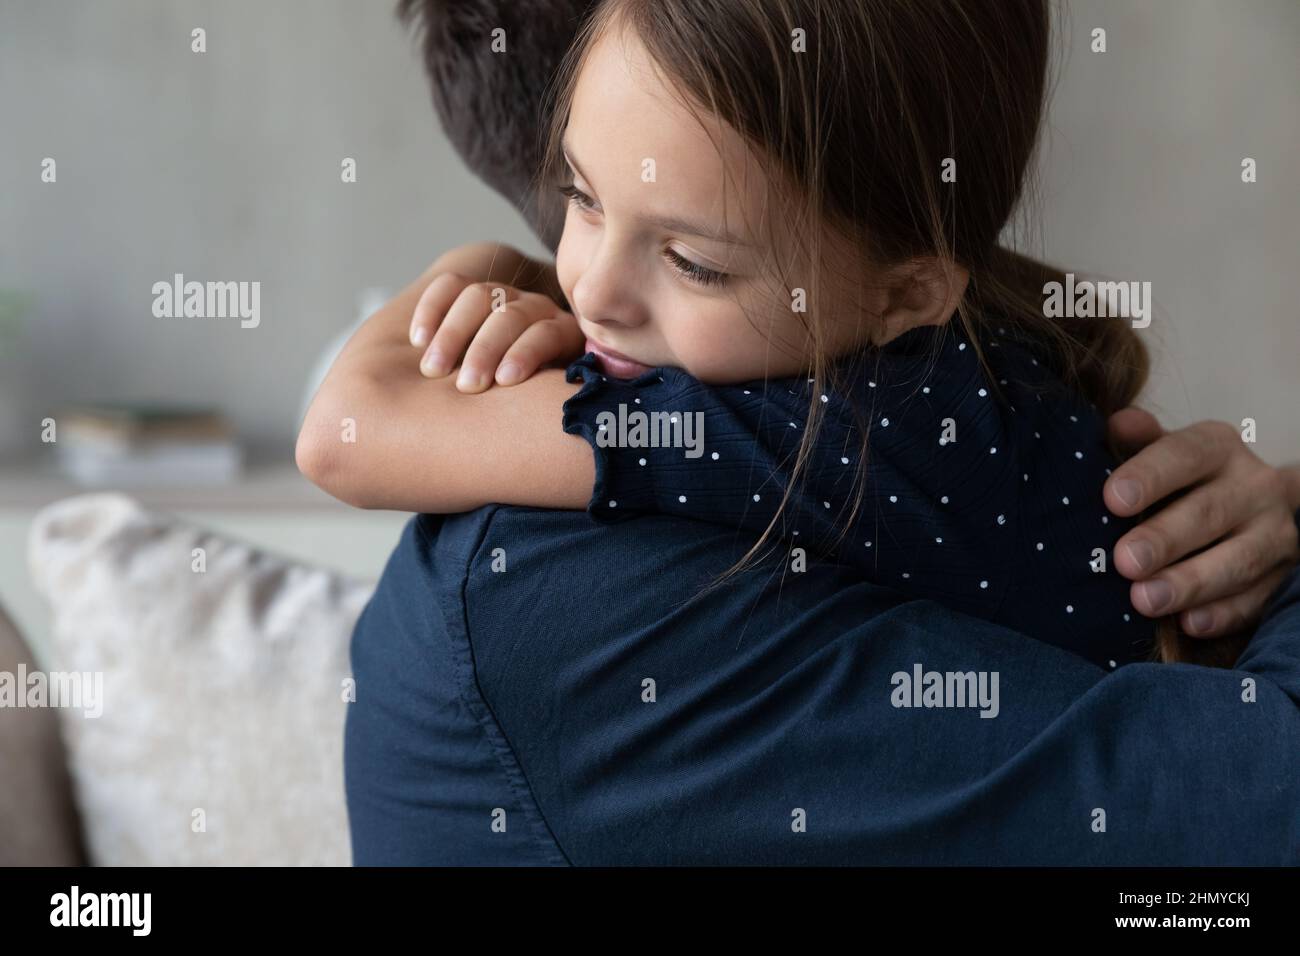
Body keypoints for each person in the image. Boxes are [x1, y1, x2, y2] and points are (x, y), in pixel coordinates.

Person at [299, 0, 1300, 862]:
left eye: (692, 260)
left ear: (905, 290)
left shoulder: (867, 433)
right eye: (582, 197)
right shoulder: (579, 579)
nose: (593, 289)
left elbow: (350, 432)